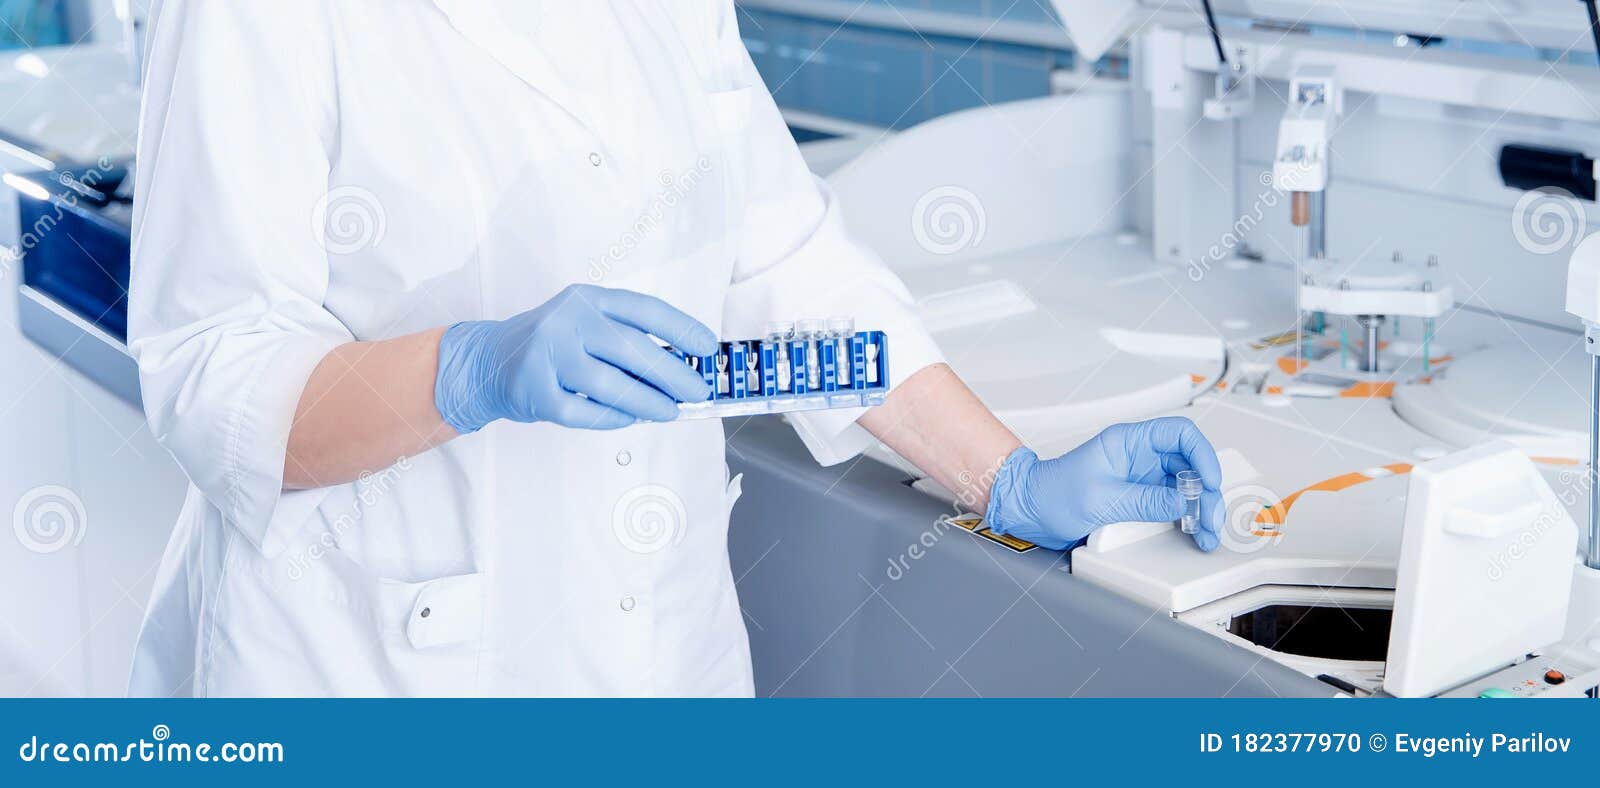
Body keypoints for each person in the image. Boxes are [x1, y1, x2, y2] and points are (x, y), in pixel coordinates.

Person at [126, 0, 1223, 697]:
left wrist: (1010, 479)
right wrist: (467, 370)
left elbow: (788, 260)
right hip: (374, 665)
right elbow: (214, 369)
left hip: (657, 650)